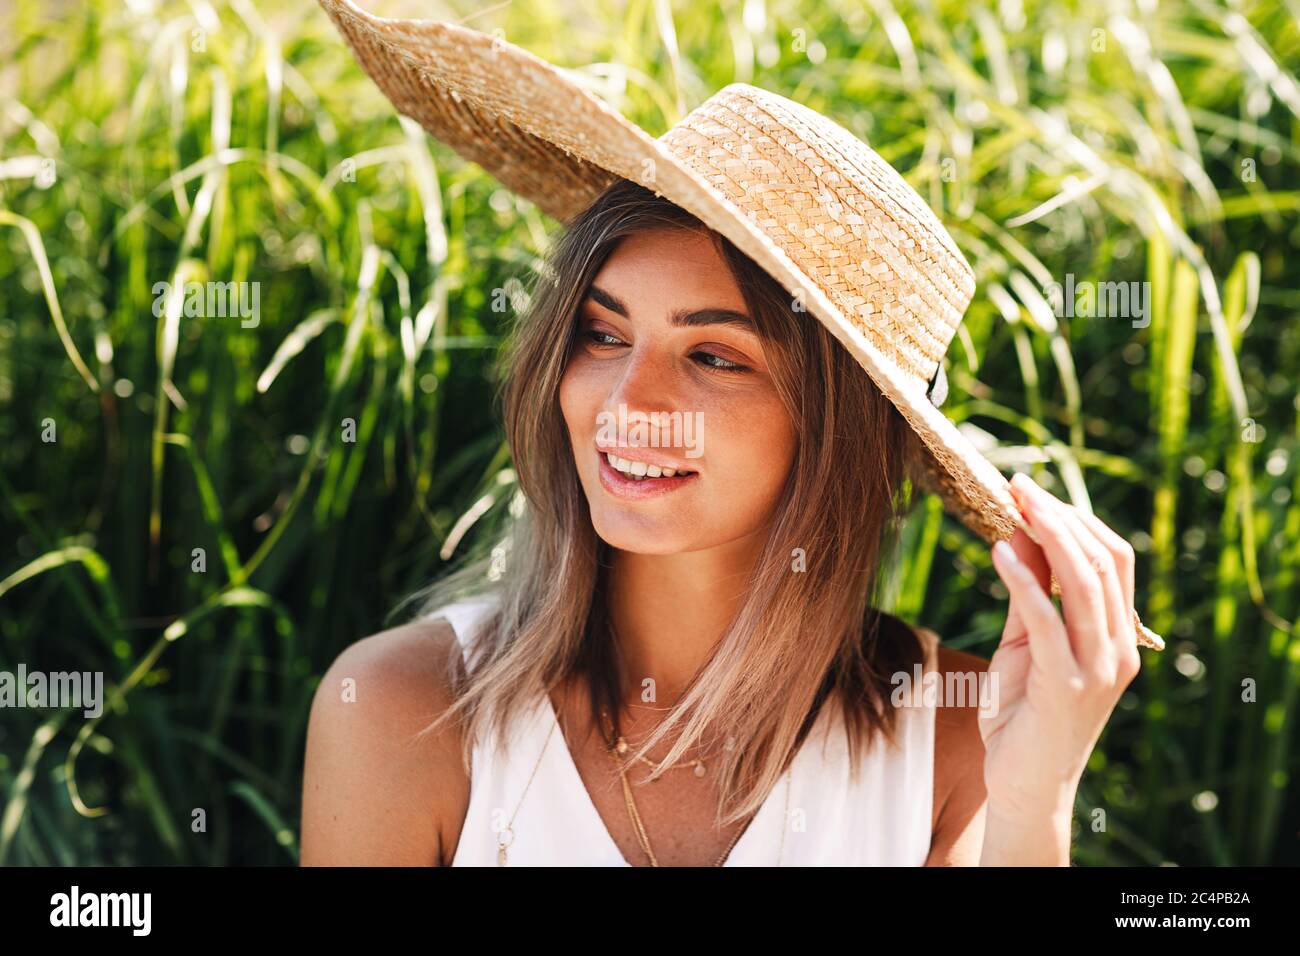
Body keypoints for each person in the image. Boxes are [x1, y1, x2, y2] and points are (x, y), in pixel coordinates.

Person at [301, 1, 1161, 867]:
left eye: (714, 356)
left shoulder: (963, 737)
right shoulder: (400, 711)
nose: (628, 402)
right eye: (603, 334)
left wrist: (1035, 800)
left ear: (841, 431)